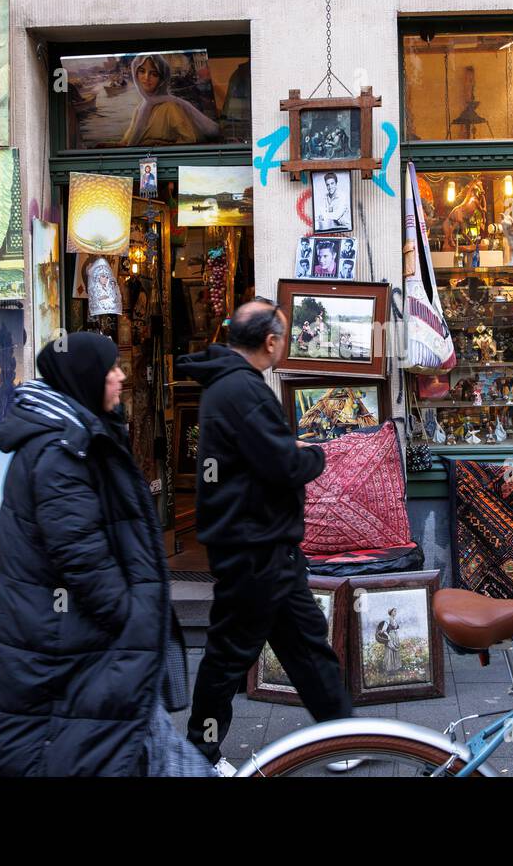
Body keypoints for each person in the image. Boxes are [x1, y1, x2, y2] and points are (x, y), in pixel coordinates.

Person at [0, 332, 210, 777]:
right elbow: (82, 558)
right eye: (111, 370)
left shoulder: (73, 434)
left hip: (79, 650)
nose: (122, 377)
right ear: (86, 379)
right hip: (71, 650)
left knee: (144, 747)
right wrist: (132, 619)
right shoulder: (60, 452)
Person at [178, 299, 352, 774]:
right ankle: (199, 754)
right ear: (270, 342)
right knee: (230, 654)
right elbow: (281, 464)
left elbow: (256, 457)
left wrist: (285, 450)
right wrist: (312, 454)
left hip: (264, 543)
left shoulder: (230, 384)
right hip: (253, 546)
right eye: (283, 337)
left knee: (305, 643)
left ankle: (339, 736)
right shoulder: (243, 390)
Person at [119, 53, 220, 147]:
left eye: (154, 74)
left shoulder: (170, 108)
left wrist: (160, 145)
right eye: (142, 71)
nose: (146, 77)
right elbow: (127, 142)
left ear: (162, 79)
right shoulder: (139, 109)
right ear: (135, 74)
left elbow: (189, 139)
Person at [378, 608, 402, 674]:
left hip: (395, 637)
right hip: (390, 637)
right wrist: (388, 636)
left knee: (395, 652)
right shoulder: (387, 620)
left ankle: (395, 668)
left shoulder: (394, 620)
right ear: (391, 612)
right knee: (390, 651)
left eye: (396, 611)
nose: (395, 612)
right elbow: (383, 630)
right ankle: (389, 669)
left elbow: (396, 628)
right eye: (394, 611)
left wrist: (396, 632)